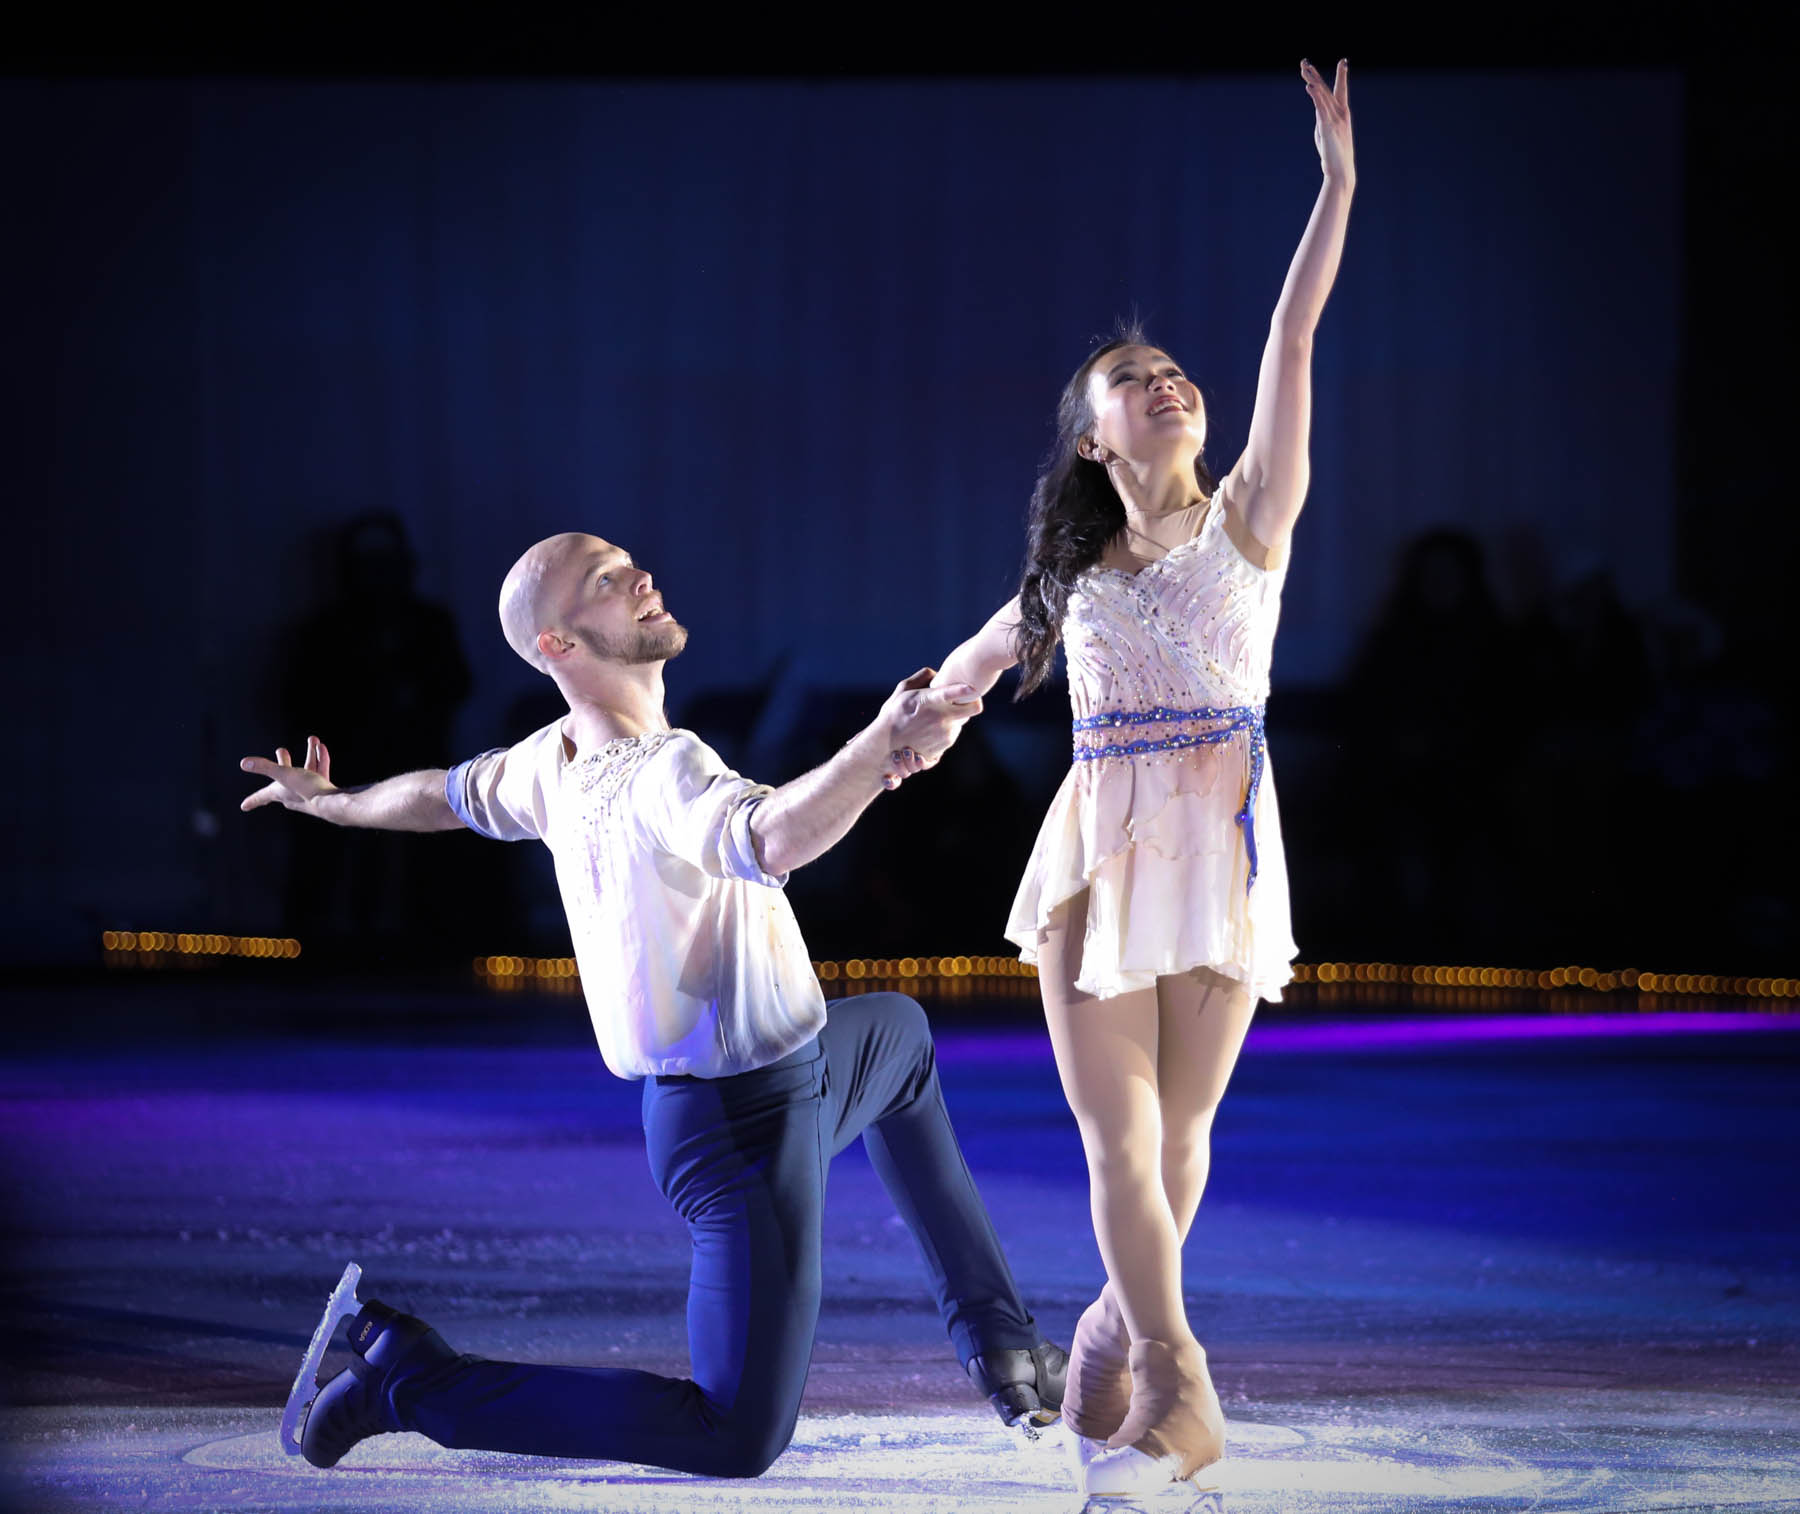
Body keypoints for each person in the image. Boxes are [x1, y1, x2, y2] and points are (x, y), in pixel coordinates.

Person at [239, 530, 1066, 1477]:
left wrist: (333, 802)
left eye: (626, 561)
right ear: (558, 645)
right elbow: (771, 835)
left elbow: (437, 795)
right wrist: (878, 750)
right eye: (602, 580)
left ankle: (1000, 1343)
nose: (637, 575)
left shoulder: (548, 763)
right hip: (736, 1133)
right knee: (737, 1434)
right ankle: (416, 1384)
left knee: (900, 1037)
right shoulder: (661, 768)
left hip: (796, 1077)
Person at [930, 58, 1355, 1496]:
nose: (1167, 381)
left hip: (1225, 840)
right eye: (1132, 381)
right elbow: (961, 674)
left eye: (1174, 371)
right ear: (1093, 437)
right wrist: (913, 723)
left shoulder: (1251, 521)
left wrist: (1336, 182)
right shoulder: (1064, 575)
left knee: (1179, 1135)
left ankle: (1116, 1323)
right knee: (1117, 1134)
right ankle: (1181, 1382)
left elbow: (1293, 335)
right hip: (1099, 847)